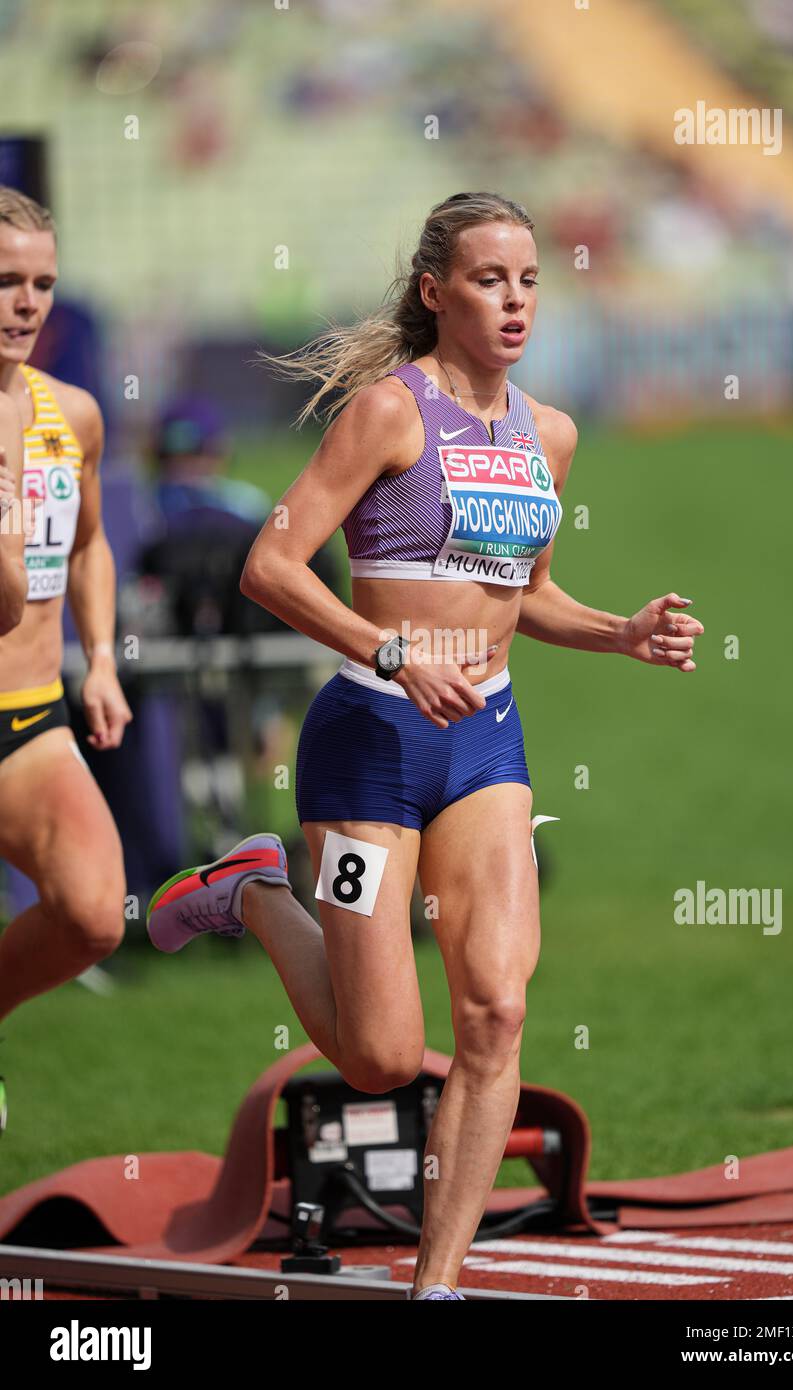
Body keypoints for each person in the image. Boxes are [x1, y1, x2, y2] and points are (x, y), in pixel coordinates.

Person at [147, 191, 704, 1298]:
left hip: (484, 741)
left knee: (495, 1011)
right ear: (433, 291)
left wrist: (618, 633)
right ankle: (256, 888)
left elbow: (526, 596)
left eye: (529, 281)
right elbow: (272, 567)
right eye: (489, 279)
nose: (513, 301)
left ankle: (435, 1285)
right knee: (381, 1059)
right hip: (368, 736)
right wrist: (392, 651)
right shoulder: (388, 414)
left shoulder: (550, 434)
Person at [0, 186, 132, 1134]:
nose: (27, 302)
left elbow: (87, 545)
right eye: (6, 281)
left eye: (43, 282)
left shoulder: (72, 413)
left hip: (30, 717)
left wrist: (101, 664)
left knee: (92, 915)